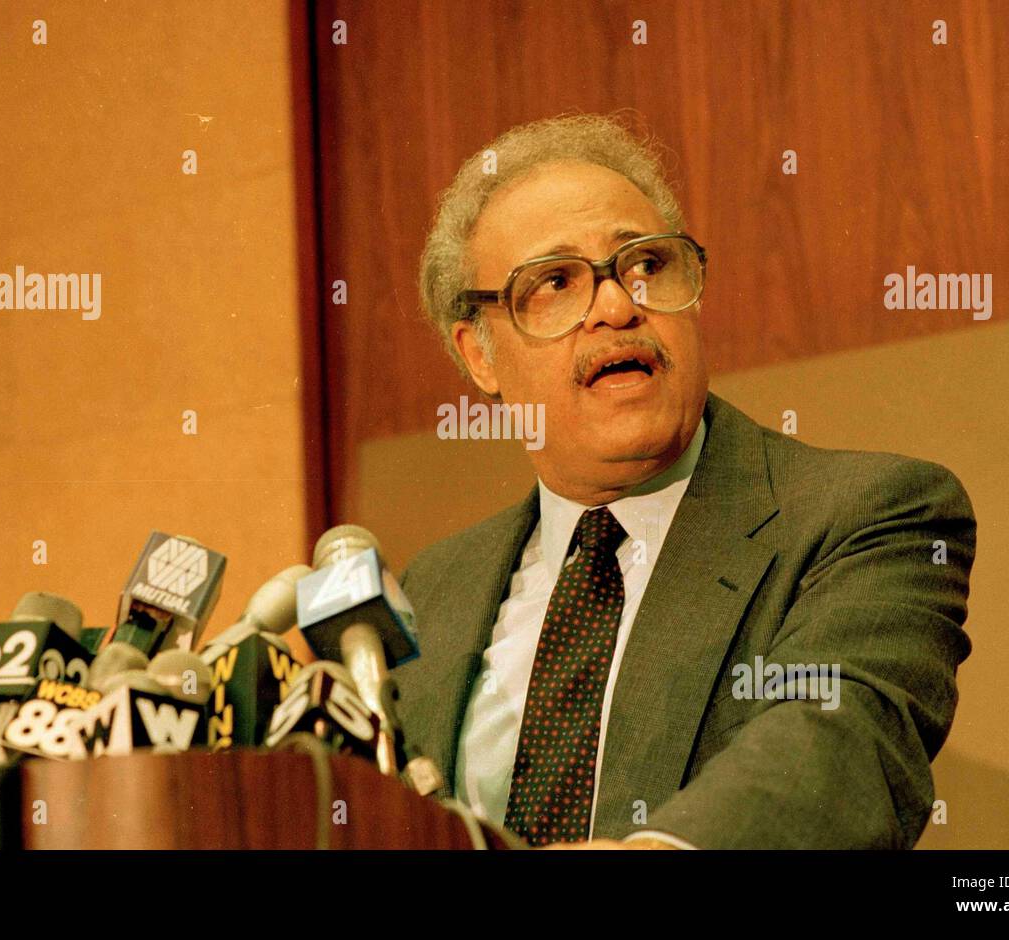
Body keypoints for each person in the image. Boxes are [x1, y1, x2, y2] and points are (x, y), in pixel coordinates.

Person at [394, 113, 975, 849]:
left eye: (647, 265)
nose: (617, 306)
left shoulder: (868, 517)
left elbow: (842, 743)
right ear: (479, 356)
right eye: (554, 283)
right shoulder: (432, 591)